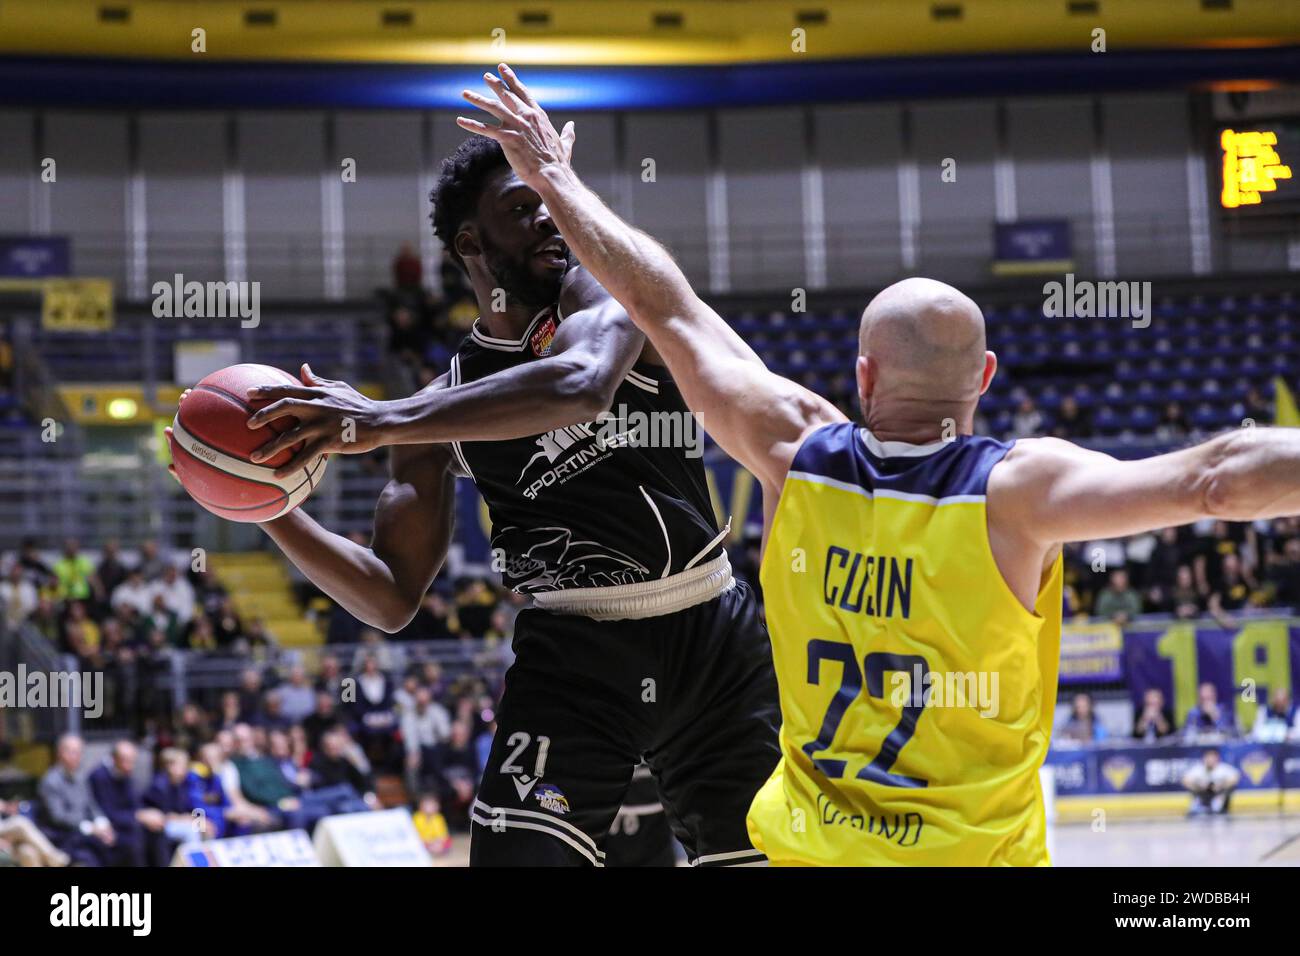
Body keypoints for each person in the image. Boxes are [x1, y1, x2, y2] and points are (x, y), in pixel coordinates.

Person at [462, 64, 1300, 866]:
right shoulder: (1018, 495)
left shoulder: (795, 451)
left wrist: (558, 182)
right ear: (985, 377)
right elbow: (1220, 477)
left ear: (862, 374)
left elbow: (662, 303)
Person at [169, 127, 780, 870]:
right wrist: (271, 508)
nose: (551, 219)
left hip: (714, 631)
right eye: (524, 208)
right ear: (471, 243)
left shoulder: (610, 302)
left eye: (554, 201)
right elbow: (391, 597)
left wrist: (377, 416)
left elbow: (582, 387)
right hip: (578, 653)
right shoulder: (435, 417)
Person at [1182, 749, 1240, 816]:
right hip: (1202, 793)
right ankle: (1198, 804)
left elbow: (1235, 778)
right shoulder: (1198, 769)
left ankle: (1218, 805)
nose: (1210, 760)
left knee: (1230, 787)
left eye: (1212, 758)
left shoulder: (1224, 768)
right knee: (1192, 786)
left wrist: (1220, 786)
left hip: (1219, 792)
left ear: (1217, 758)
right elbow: (1185, 780)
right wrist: (1200, 786)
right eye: (1208, 758)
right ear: (1204, 758)